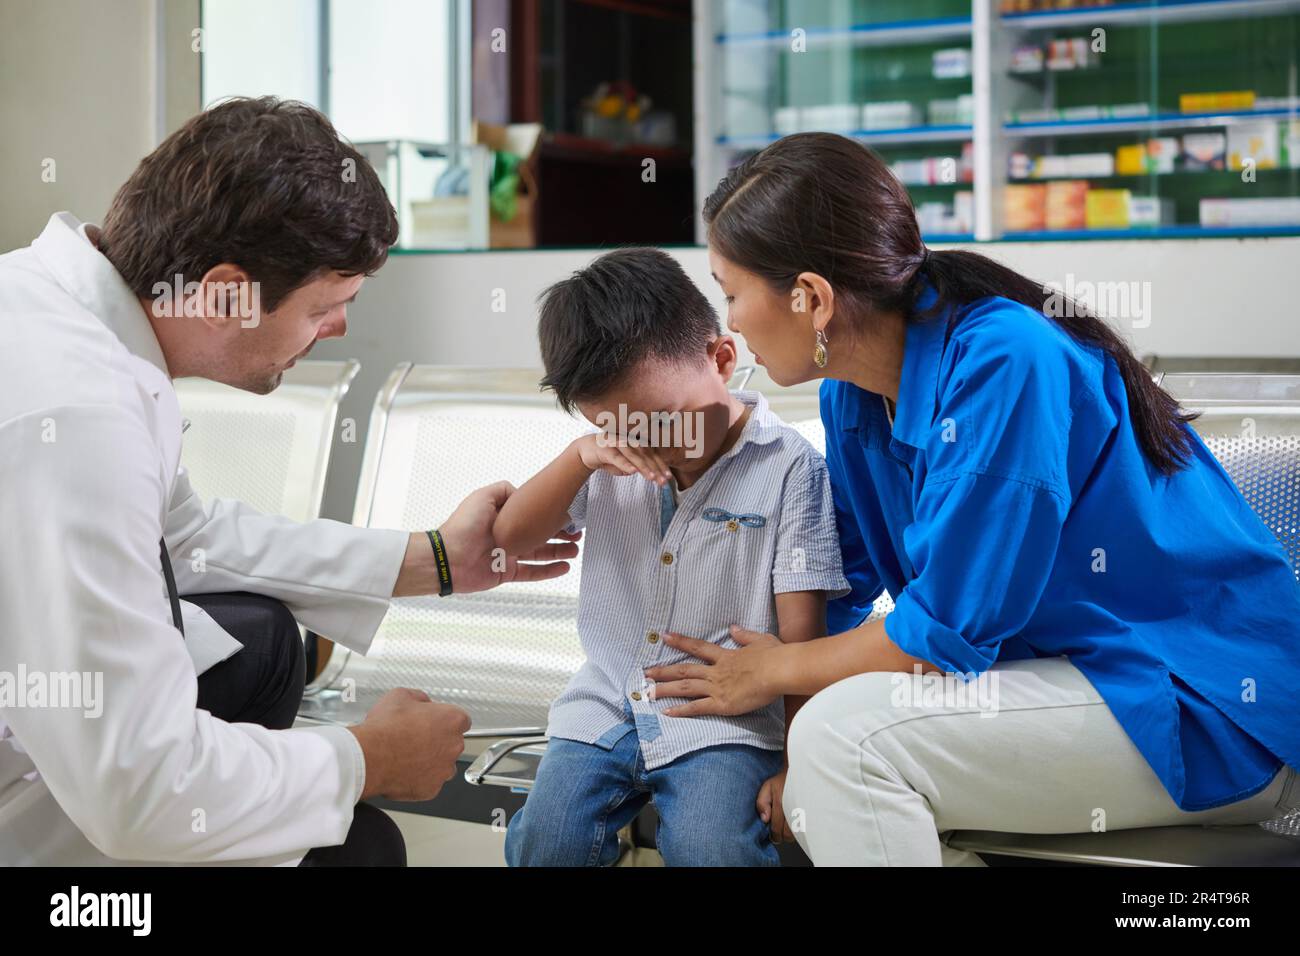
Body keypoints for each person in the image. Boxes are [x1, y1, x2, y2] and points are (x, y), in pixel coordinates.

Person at [645, 132, 1300, 866]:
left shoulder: (1005, 359)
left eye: (731, 292)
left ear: (812, 298)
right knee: (834, 765)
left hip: (1194, 701)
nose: (728, 320)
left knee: (848, 743)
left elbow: (946, 632)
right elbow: (837, 581)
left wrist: (777, 676)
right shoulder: (852, 400)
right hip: (1052, 686)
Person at [0, 97, 578, 866]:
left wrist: (439, 559)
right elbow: (137, 791)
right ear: (224, 292)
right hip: (53, 794)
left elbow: (188, 538)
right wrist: (368, 758)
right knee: (360, 849)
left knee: (266, 642)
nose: (337, 329)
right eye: (328, 305)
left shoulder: (56, 305)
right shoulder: (76, 419)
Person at [493, 248, 849, 866]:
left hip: (724, 721)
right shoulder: (606, 457)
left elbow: (801, 635)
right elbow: (511, 539)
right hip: (604, 706)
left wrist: (800, 763)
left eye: (665, 422)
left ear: (721, 358)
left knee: (713, 849)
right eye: (623, 430)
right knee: (544, 843)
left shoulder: (791, 468)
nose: (651, 447)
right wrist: (581, 455)